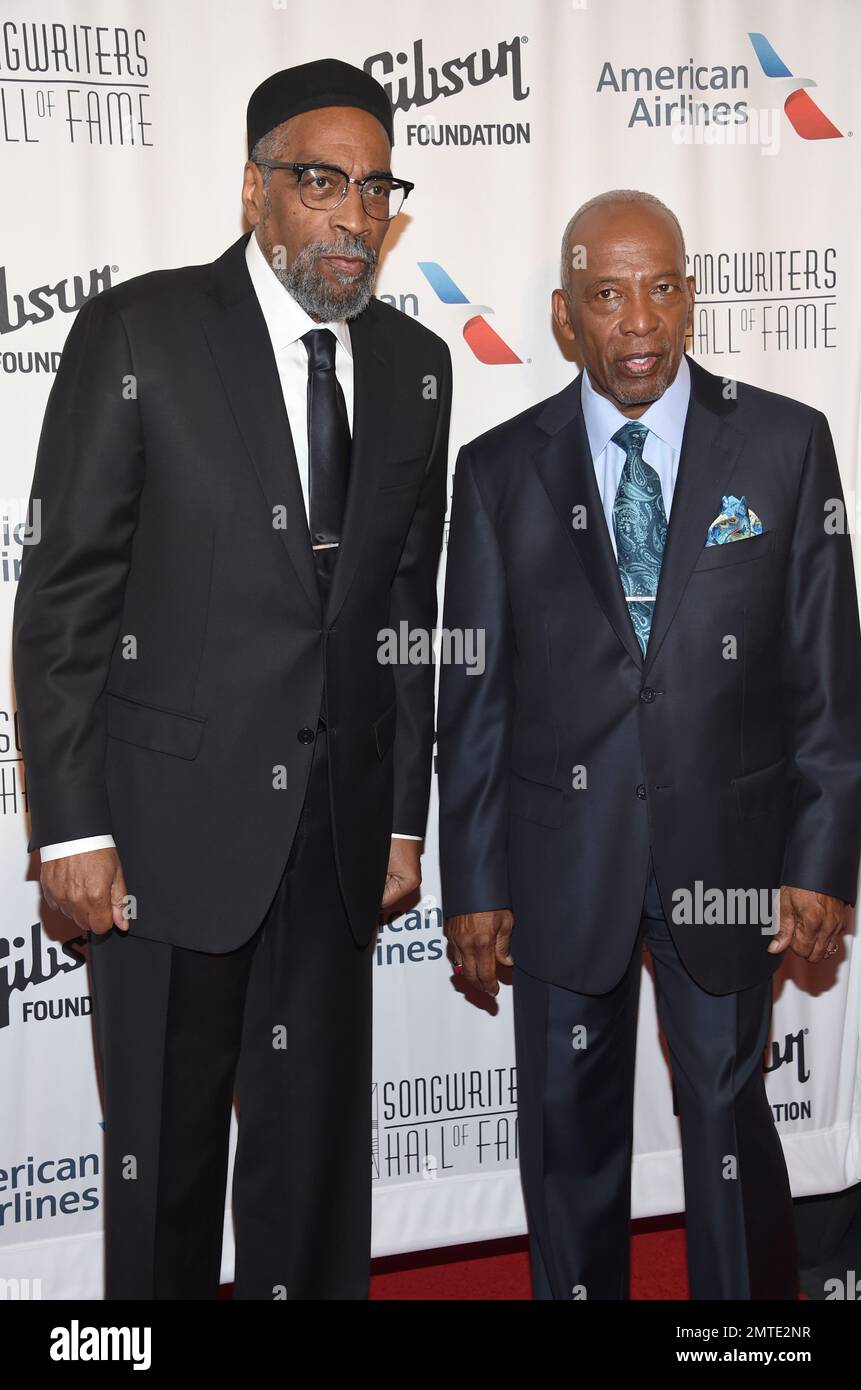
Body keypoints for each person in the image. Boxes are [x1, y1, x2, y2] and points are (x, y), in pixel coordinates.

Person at [13, 58, 451, 1300]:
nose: (352, 215)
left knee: (313, 1179)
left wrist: (403, 811)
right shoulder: (142, 330)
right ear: (255, 190)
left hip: (333, 843)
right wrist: (74, 828)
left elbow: (405, 611)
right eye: (321, 182)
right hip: (160, 841)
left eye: (374, 189)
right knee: (165, 1172)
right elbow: (64, 596)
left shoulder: (417, 368)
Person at [437, 189, 861, 1300]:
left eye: (661, 288)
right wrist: (474, 882)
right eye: (608, 295)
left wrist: (820, 863)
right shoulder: (495, 473)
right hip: (559, 859)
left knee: (728, 1127)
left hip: (729, 857)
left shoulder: (784, 444)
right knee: (567, 1137)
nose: (639, 321)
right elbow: (472, 699)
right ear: (567, 315)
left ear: (689, 294)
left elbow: (827, 682)